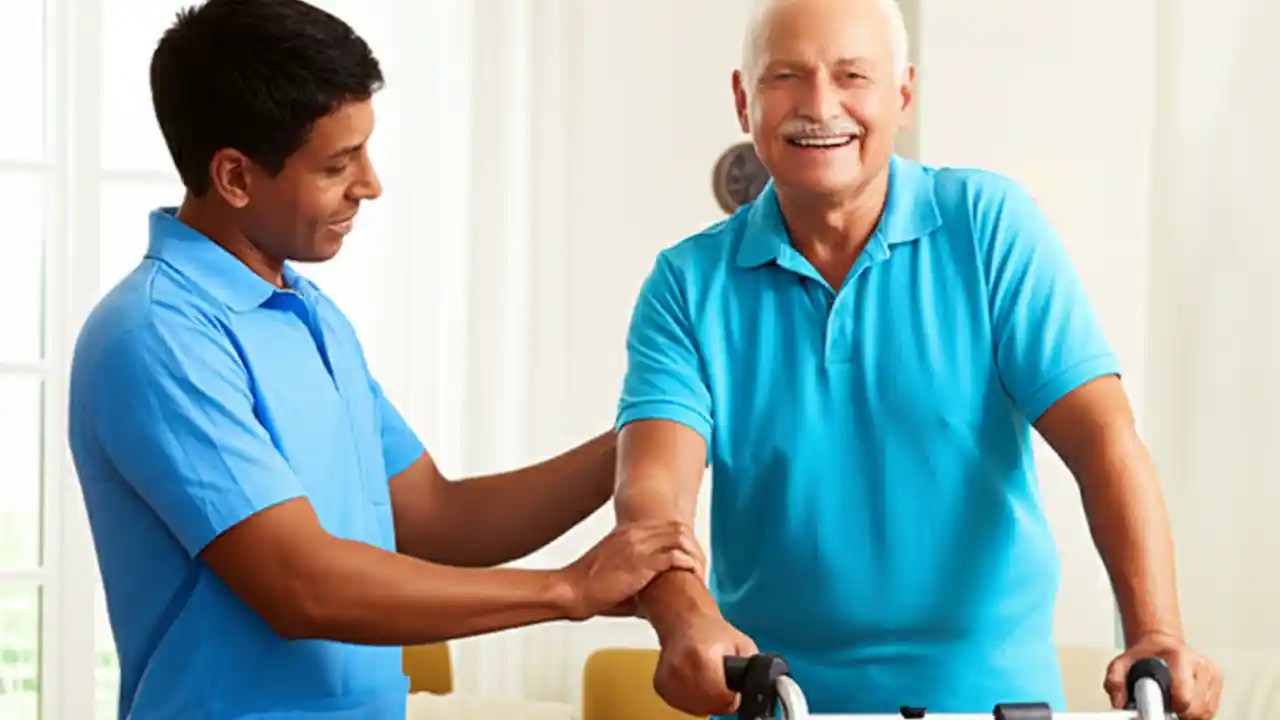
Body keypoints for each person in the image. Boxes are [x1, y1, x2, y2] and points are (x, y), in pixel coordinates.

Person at [67, 1, 704, 718]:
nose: (369, 183)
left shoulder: (309, 315)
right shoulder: (155, 336)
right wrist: (567, 589)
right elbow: (301, 585)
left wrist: (654, 431)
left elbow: (437, 516)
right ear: (235, 177)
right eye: (338, 164)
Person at [613, 0, 1224, 718]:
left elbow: (1103, 441)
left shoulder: (989, 227)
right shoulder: (686, 283)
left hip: (990, 700)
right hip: (777, 701)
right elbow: (653, 499)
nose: (819, 105)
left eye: (852, 75)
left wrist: (1155, 631)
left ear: (902, 93)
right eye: (786, 76)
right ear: (744, 99)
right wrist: (684, 615)